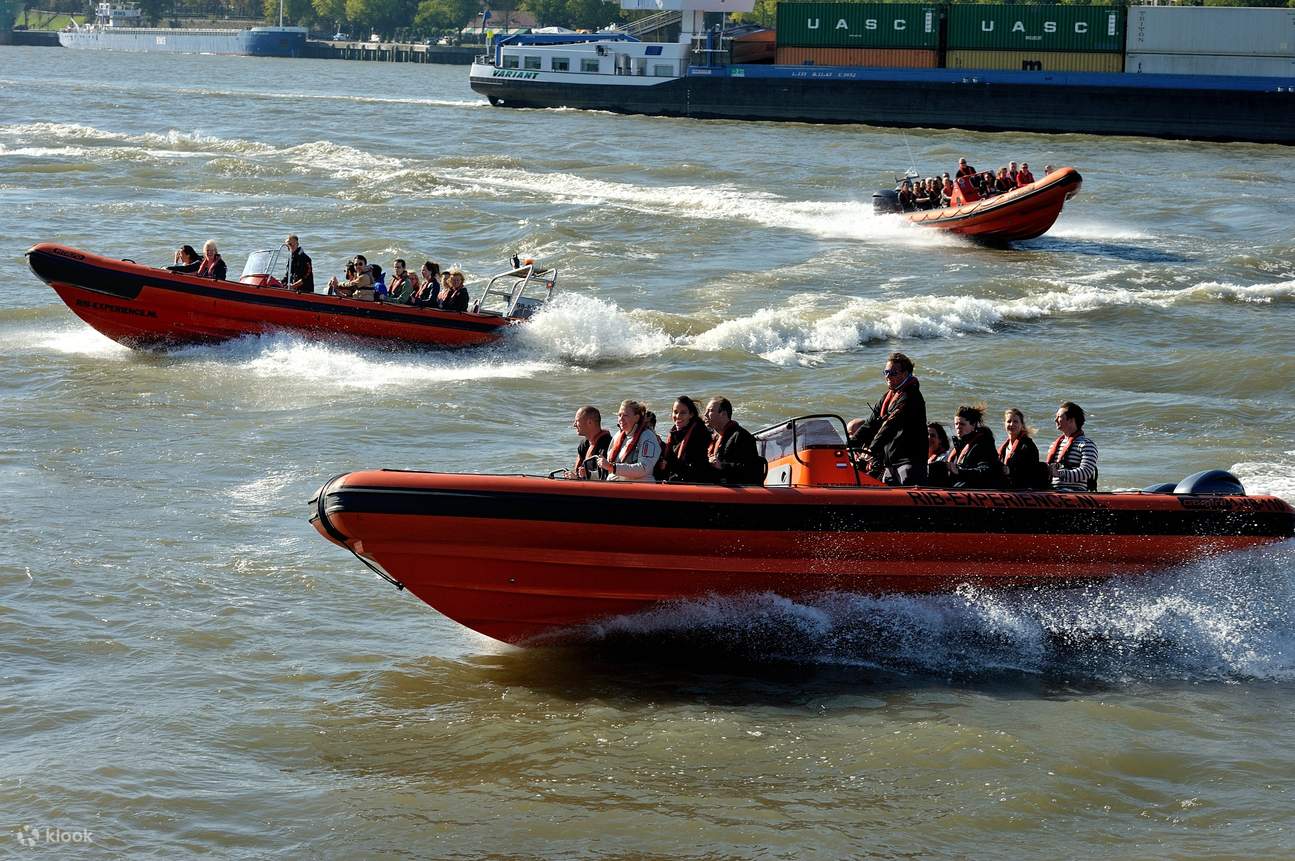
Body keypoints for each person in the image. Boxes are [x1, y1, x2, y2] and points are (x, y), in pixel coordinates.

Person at [849, 351, 927, 486]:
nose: (888, 377)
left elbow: (891, 425)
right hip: (890, 462)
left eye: (893, 373)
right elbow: (870, 424)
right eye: (886, 372)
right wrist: (850, 444)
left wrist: (870, 450)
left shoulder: (911, 397)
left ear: (905, 373)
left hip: (908, 461)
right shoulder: (887, 396)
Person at [702, 397, 764, 485]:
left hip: (735, 490)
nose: (705, 414)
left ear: (723, 414)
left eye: (710, 411)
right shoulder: (709, 436)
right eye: (706, 411)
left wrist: (722, 466)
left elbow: (751, 470)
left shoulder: (742, 436)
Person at [596, 399, 661, 482]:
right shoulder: (617, 436)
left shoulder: (647, 437)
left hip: (639, 487)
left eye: (625, 415)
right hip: (616, 485)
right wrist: (590, 474)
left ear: (636, 418)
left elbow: (644, 468)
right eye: (619, 415)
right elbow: (610, 469)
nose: (621, 419)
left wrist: (612, 467)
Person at [1047, 401, 1099, 492]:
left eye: (1059, 417)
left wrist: (1060, 473)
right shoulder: (1053, 445)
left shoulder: (1087, 445)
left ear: (1071, 420)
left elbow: (1085, 472)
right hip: (1052, 491)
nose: (1055, 420)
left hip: (1075, 491)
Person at [946, 405, 1000, 489]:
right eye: (956, 424)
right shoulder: (961, 444)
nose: (958, 427)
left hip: (981, 486)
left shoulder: (983, 444)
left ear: (973, 425)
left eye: (962, 424)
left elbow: (986, 471)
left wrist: (959, 471)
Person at [661, 395, 712, 483]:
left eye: (683, 412)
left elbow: (697, 468)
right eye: (675, 412)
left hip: (695, 484)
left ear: (691, 414)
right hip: (677, 480)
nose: (678, 416)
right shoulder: (674, 433)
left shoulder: (700, 434)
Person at [998, 407, 1043, 490]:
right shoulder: (1004, 448)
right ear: (1004, 424)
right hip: (1006, 487)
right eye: (1009, 421)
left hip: (1022, 490)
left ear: (1022, 425)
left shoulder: (1028, 446)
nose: (1011, 424)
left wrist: (1010, 471)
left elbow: (1031, 471)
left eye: (1015, 422)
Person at [569, 405, 612, 480]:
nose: (574, 425)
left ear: (589, 422)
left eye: (577, 421)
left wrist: (585, 476)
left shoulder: (607, 445)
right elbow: (577, 471)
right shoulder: (584, 444)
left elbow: (607, 475)